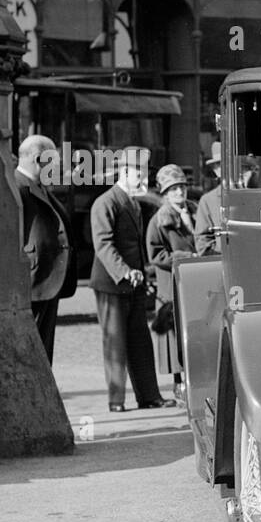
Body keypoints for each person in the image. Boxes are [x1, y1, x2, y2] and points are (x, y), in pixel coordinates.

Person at [89, 156, 175, 412]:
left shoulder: (132, 203)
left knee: (140, 341)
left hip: (133, 283)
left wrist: (139, 274)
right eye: (139, 173)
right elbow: (103, 244)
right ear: (124, 172)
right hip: (112, 284)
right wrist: (126, 272)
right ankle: (116, 401)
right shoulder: (105, 203)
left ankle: (149, 396)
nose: (143, 179)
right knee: (114, 343)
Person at [13, 134, 76, 364]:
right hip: (34, 281)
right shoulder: (17, 186)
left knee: (42, 351)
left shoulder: (38, 185)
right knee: (33, 352)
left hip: (48, 281)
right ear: (39, 159)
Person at [146, 164, 197, 396]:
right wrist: (186, 257)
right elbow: (156, 255)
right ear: (165, 194)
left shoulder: (195, 211)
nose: (179, 193)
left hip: (197, 284)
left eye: (181, 187)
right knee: (176, 335)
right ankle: (179, 384)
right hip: (173, 285)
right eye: (173, 189)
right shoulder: (159, 220)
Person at [193, 142, 222, 256]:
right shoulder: (208, 201)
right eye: (221, 166)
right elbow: (202, 242)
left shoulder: (251, 195)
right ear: (216, 170)